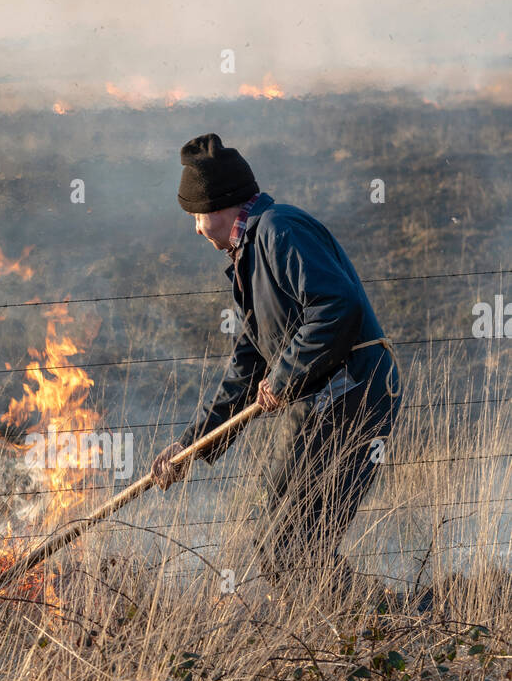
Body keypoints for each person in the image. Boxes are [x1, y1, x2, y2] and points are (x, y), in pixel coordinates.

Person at [151, 132, 400, 592]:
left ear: (218, 206)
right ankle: (350, 635)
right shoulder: (248, 258)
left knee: (293, 540)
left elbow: (336, 305)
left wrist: (285, 375)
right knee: (279, 538)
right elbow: (247, 369)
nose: (195, 228)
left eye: (196, 216)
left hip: (353, 393)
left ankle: (371, 632)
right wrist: (189, 447)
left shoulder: (279, 230)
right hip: (323, 398)